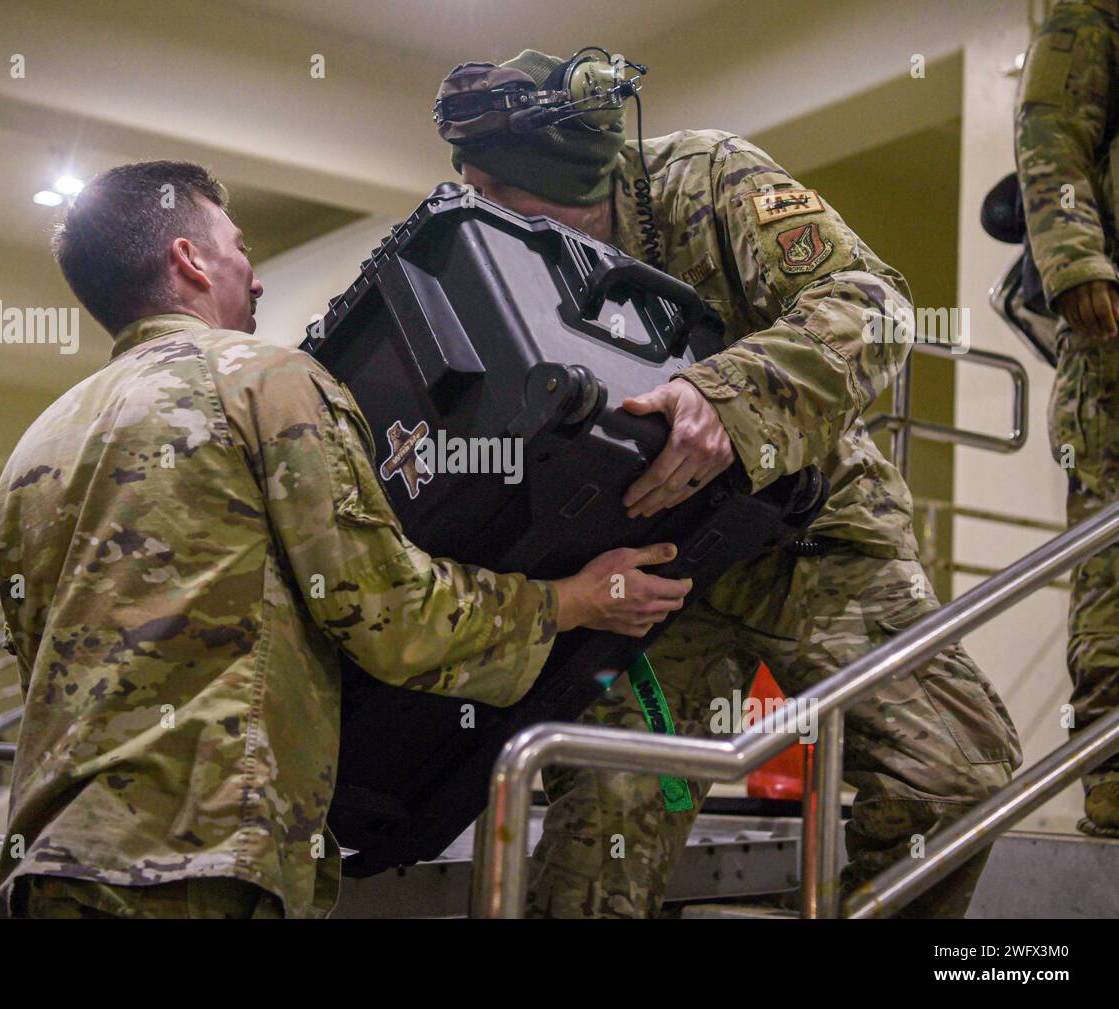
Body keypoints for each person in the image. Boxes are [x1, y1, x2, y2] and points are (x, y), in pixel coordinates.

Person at [0, 160, 693, 918]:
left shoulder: (35, 448)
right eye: (240, 249)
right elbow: (389, 612)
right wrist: (571, 601)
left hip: (52, 860)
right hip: (205, 857)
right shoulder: (265, 380)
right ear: (189, 260)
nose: (254, 280)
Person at [433, 49, 1023, 917]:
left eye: (508, 203)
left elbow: (874, 306)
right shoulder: (485, 246)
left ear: (580, 186)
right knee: (607, 838)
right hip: (649, 572)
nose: (488, 220)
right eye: (473, 194)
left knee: (956, 775)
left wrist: (726, 395)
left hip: (811, 537)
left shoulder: (705, 179)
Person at [1017, 0, 1119, 838]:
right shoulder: (1095, 11)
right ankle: (1115, 787)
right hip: (1115, 339)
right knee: (1113, 564)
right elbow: (1050, 129)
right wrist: (1075, 256)